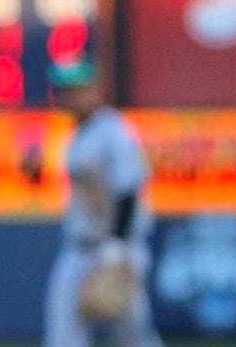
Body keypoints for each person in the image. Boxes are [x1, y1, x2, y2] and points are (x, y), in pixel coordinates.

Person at [44, 58, 164, 347]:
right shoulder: (78, 134)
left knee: (133, 334)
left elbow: (128, 191)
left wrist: (116, 247)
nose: (71, 96)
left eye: (77, 89)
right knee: (63, 333)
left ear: (96, 90)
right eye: (66, 90)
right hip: (79, 247)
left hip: (119, 249)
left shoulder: (113, 132)